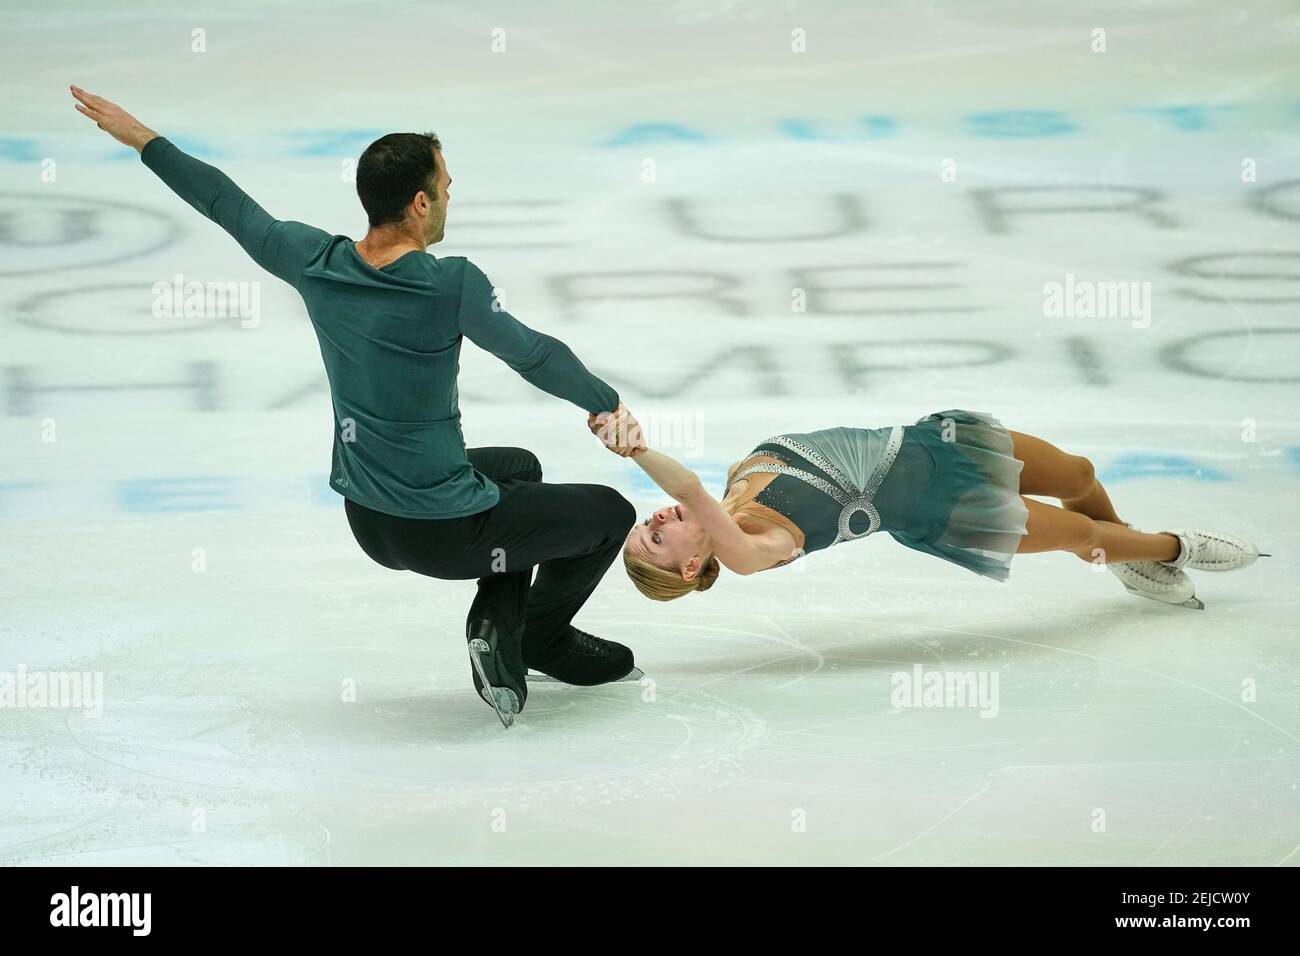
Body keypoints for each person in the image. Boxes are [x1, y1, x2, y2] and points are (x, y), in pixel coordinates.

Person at [72, 85, 637, 728]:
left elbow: (223, 203)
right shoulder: (451, 282)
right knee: (610, 512)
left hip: (369, 520)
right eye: (446, 185)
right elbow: (531, 354)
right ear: (421, 202)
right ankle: (540, 636)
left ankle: (496, 625)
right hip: (446, 531)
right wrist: (605, 404)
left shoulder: (314, 260)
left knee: (519, 464)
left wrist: (143, 137)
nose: (451, 194)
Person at [591, 406, 1262, 609]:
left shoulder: (740, 478)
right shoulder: (748, 552)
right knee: (1079, 532)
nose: (650, 524)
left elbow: (694, 496)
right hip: (946, 511)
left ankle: (1122, 553)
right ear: (688, 570)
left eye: (642, 529)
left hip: (937, 446)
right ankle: (1176, 548)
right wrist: (636, 450)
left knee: (1080, 474)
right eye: (652, 543)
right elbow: (688, 494)